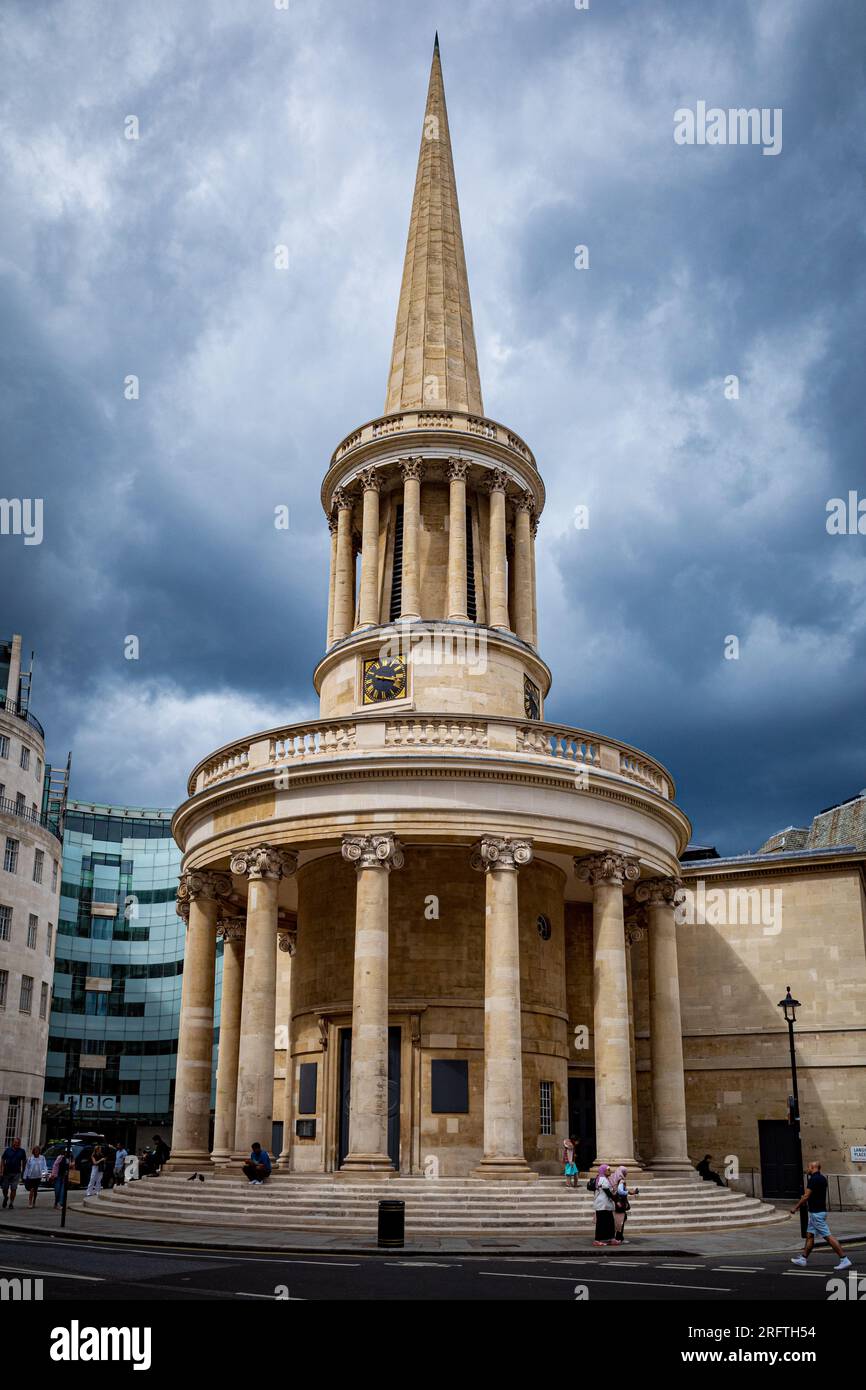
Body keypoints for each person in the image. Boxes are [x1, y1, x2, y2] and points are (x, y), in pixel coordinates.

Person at [790, 1161, 851, 1271]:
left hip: (816, 1214)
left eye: (808, 1167)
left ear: (813, 1167)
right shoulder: (822, 1178)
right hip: (818, 1211)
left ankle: (844, 1259)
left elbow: (806, 1196)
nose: (807, 1169)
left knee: (828, 1236)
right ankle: (803, 1259)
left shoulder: (813, 1179)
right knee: (810, 1235)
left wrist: (795, 1207)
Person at [612, 1165, 637, 1244]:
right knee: (621, 1220)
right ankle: (619, 1238)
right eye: (625, 1172)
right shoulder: (621, 1180)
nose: (626, 1173)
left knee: (621, 1219)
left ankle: (619, 1237)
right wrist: (628, 1192)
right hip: (620, 1203)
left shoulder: (615, 1178)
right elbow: (620, 1191)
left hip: (616, 1203)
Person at [592, 1163, 616, 1246]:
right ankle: (597, 1240)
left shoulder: (604, 1178)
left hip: (605, 1204)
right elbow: (607, 1192)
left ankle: (610, 1238)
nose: (610, 1171)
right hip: (602, 1204)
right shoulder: (602, 1179)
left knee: (609, 1221)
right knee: (601, 1223)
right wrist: (616, 1200)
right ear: (603, 1171)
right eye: (608, 1170)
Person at [0, 1136, 27, 1209]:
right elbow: (2, 1160)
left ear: (19, 1144)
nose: (16, 1144)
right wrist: (1, 1171)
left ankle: (11, 1203)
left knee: (13, 1188)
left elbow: (24, 1162)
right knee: (4, 1188)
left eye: (18, 1143)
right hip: (6, 1172)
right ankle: (6, 1197)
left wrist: (23, 1172)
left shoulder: (22, 1151)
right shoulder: (8, 1150)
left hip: (16, 1173)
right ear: (13, 1143)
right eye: (15, 1142)